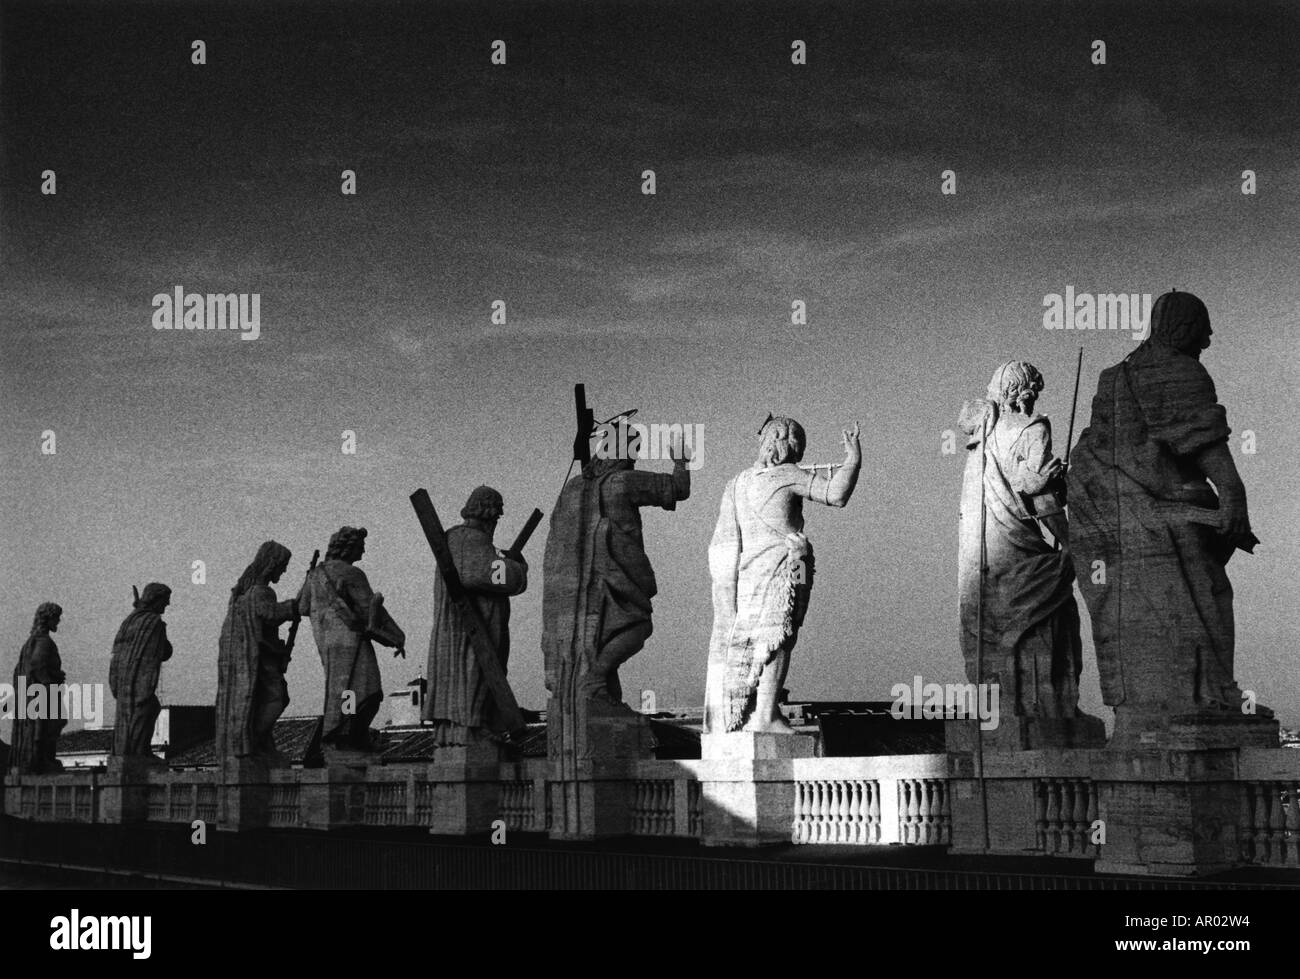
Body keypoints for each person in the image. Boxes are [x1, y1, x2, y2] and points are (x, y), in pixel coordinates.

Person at [1069, 291, 1265, 742]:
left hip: (1115, 519)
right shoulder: (1177, 369)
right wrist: (1233, 495)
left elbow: (1094, 448)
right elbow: (1200, 438)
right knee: (1208, 595)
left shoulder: (1114, 377)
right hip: (1162, 515)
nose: (1209, 339)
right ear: (1184, 326)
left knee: (1142, 611)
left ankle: (1156, 711)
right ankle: (1208, 695)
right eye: (1203, 327)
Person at [958, 363, 1100, 747]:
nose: (1034, 397)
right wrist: (1072, 541)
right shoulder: (1032, 427)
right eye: (1033, 390)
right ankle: (1052, 705)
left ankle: (1007, 706)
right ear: (1024, 392)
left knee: (1002, 620)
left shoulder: (981, 440)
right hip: (1019, 546)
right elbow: (1041, 497)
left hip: (984, 549)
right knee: (1053, 615)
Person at [704, 417, 860, 734]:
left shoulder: (736, 483)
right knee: (781, 634)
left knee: (752, 640)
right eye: (797, 445)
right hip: (788, 564)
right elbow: (836, 493)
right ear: (787, 442)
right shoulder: (787, 475)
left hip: (744, 574)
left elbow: (722, 542)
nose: (798, 452)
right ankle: (764, 714)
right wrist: (854, 458)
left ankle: (750, 713)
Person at [542, 419, 690, 710]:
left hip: (572, 590)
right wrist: (682, 460)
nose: (634, 457)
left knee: (593, 640)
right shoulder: (622, 481)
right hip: (612, 576)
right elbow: (678, 489)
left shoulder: (570, 489)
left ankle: (600, 689)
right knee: (638, 625)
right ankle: (595, 680)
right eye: (633, 449)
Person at [424, 486, 527, 744]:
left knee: (474, 675)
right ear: (489, 513)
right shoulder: (468, 538)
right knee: (472, 673)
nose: (495, 522)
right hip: (469, 632)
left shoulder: (459, 540)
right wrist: (518, 568)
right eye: (496, 516)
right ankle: (470, 728)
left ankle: (470, 727)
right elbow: (482, 573)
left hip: (467, 628)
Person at [299, 526, 405, 751]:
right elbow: (369, 608)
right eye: (360, 547)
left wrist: (310, 577)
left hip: (327, 644)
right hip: (351, 641)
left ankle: (342, 734)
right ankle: (346, 736)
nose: (363, 553)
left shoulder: (316, 574)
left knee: (342, 688)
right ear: (349, 548)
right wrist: (397, 635)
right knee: (365, 688)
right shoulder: (351, 573)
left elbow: (301, 606)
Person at [216, 542, 298, 762]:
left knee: (268, 699)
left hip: (260, 656)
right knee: (278, 697)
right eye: (283, 565)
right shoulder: (261, 592)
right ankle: (253, 740)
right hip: (258, 660)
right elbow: (269, 614)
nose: (284, 570)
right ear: (272, 564)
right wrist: (294, 606)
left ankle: (258, 741)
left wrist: (279, 649)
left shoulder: (244, 595)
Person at [109, 583, 173, 758]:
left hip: (123, 683)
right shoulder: (153, 622)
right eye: (165, 601)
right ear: (155, 599)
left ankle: (130, 751)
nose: (167, 605)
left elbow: (117, 652)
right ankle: (138, 752)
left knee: (130, 715)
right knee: (148, 709)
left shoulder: (129, 621)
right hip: (140, 682)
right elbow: (163, 652)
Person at [10, 603, 67, 774]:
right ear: (47, 618)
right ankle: (43, 759)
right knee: (54, 723)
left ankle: (40, 758)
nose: (58, 621)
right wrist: (48, 682)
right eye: (56, 617)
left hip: (33, 692)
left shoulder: (32, 641)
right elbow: (37, 663)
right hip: (43, 692)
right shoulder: (44, 642)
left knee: (44, 725)